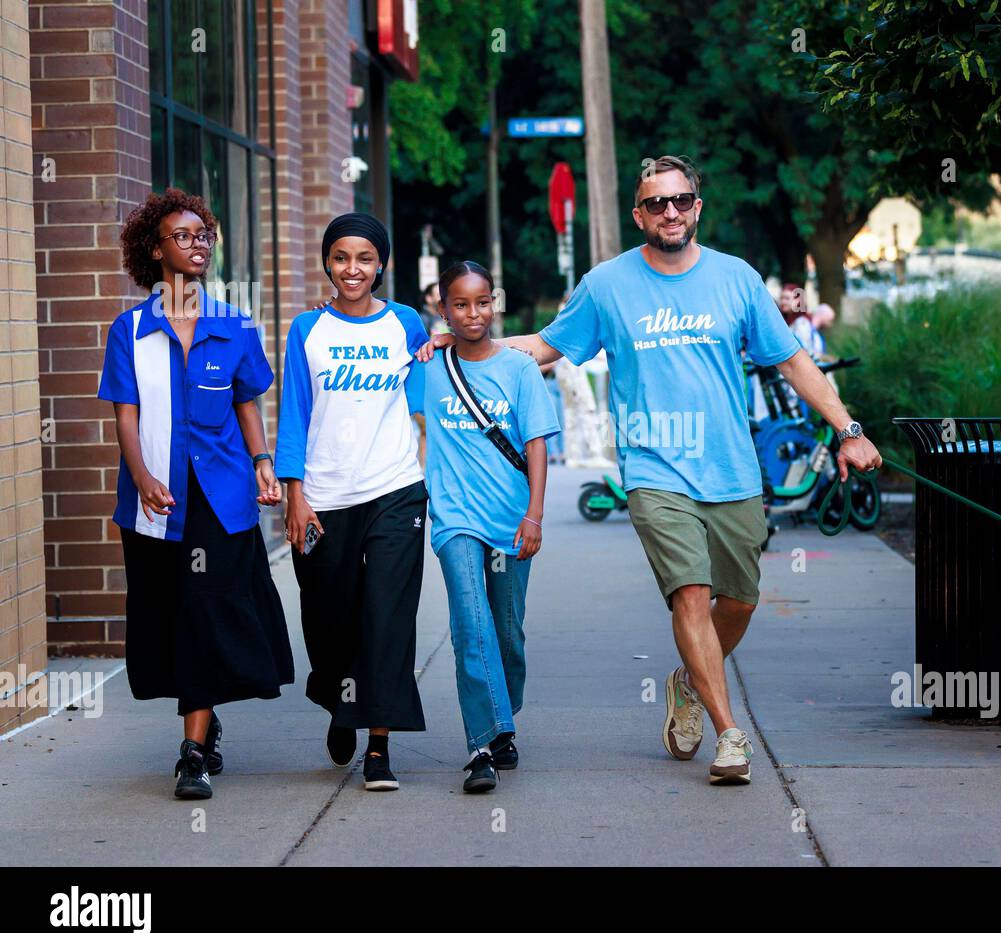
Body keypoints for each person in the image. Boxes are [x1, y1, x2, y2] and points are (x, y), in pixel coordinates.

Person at [419, 155, 882, 785]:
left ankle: (689, 683)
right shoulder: (608, 284)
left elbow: (794, 362)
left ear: (698, 206)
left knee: (740, 601)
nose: (670, 212)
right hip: (653, 469)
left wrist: (848, 429)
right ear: (639, 214)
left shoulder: (737, 280)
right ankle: (729, 734)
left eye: (681, 200)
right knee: (690, 592)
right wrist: (464, 336)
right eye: (656, 203)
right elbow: (546, 349)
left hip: (732, 471)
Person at [98, 188, 293, 800]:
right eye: (182, 236)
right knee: (172, 611)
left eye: (203, 234)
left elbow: (247, 401)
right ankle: (202, 726)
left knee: (210, 607)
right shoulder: (130, 330)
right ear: (154, 249)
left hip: (222, 497)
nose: (196, 244)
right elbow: (126, 417)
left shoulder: (234, 325)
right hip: (158, 500)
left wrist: (263, 461)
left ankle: (192, 752)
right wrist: (145, 477)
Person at [277, 212, 430, 793]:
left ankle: (378, 745)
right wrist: (295, 494)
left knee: (387, 618)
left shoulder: (406, 323)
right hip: (324, 496)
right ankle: (340, 700)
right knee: (327, 619)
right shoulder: (307, 331)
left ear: (382, 265)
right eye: (341, 257)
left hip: (394, 489)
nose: (352, 269)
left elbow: (425, 383)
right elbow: (294, 412)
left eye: (365, 258)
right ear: (327, 263)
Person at [411, 261, 559, 793]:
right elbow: (378, 344)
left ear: (493, 304)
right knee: (470, 625)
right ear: (443, 308)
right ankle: (481, 745)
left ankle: (502, 716)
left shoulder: (518, 369)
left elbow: (538, 444)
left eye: (481, 302)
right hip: (454, 518)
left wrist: (535, 514)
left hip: (511, 519)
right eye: (460, 304)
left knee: (507, 633)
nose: (472, 313)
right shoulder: (428, 367)